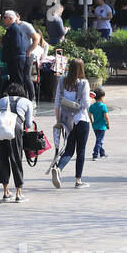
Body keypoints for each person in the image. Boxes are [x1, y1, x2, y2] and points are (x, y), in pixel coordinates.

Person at [49, 58, 93, 189]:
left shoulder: (62, 81)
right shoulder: (84, 83)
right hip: (81, 120)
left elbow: (57, 102)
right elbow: (85, 104)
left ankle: (58, 168)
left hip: (67, 121)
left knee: (69, 149)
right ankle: (78, 180)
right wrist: (90, 99)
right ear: (81, 69)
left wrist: (58, 121)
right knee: (81, 151)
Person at [0, 84, 34, 201]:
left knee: (2, 159)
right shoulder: (26, 102)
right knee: (16, 159)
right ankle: (18, 193)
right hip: (15, 128)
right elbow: (29, 124)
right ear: (21, 92)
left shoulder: (2, 100)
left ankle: (6, 192)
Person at [0, 10, 35, 102]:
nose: (3, 20)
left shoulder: (14, 29)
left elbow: (17, 45)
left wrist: (10, 54)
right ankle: (16, 98)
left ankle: (22, 99)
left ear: (11, 19)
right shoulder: (11, 29)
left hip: (16, 59)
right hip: (13, 59)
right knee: (14, 80)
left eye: (5, 18)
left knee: (19, 80)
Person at [89, 86, 110, 160]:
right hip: (102, 126)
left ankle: (102, 153)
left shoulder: (92, 106)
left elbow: (89, 115)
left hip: (95, 126)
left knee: (98, 139)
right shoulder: (103, 106)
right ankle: (95, 154)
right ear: (101, 97)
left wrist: (92, 122)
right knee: (99, 141)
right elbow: (106, 117)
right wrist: (108, 124)